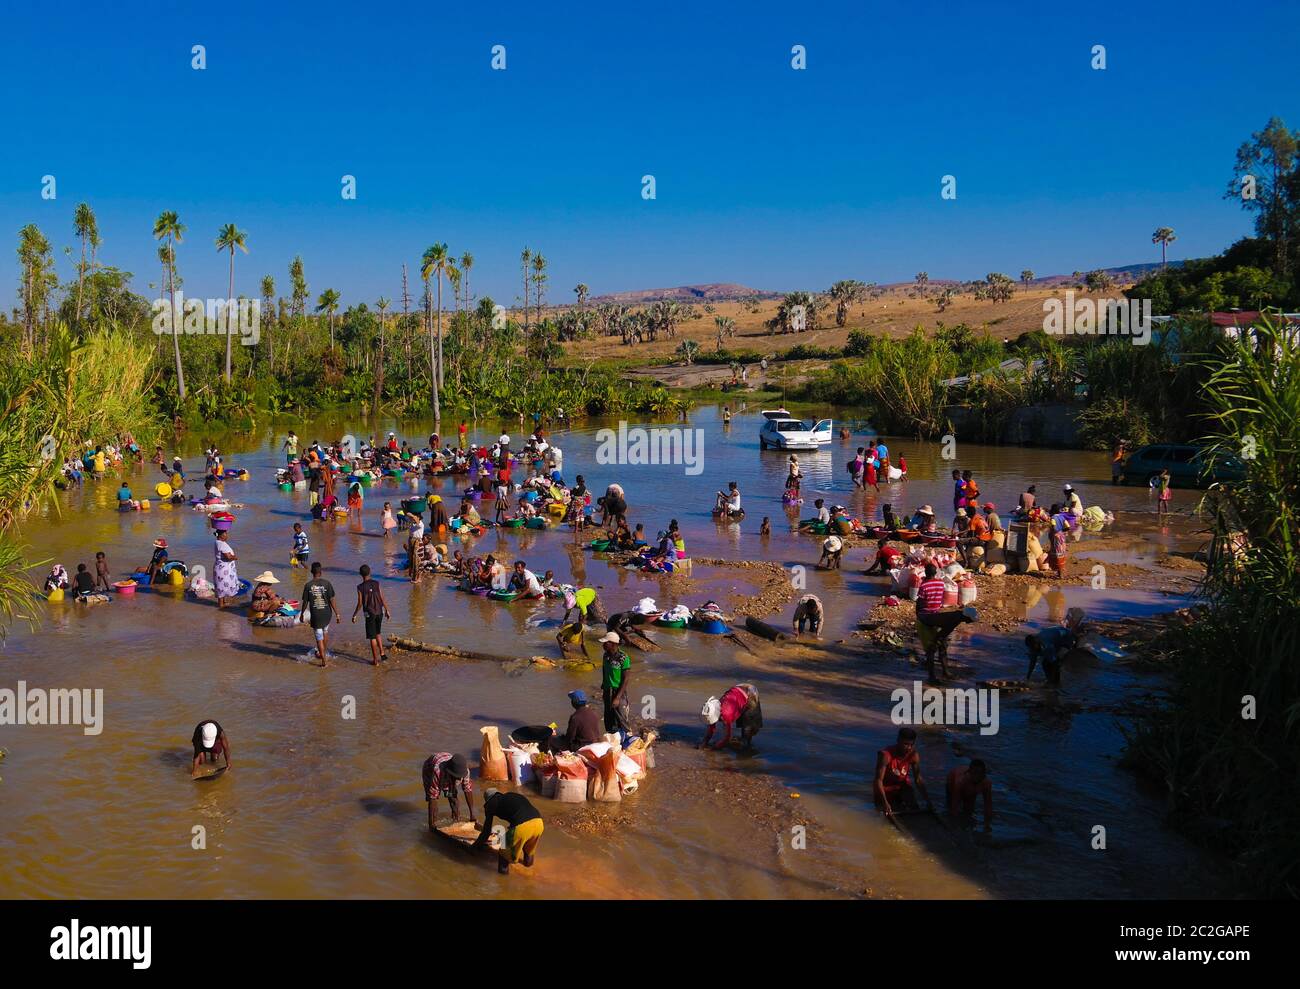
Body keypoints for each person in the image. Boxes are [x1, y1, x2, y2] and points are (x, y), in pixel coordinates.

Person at [915, 562, 977, 680]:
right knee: (934, 648)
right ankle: (935, 675)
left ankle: (942, 673)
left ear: (926, 573)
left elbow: (920, 603)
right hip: (930, 617)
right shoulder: (940, 583)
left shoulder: (924, 586)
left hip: (926, 616)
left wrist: (918, 615)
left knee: (937, 646)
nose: (968, 623)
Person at [474, 789, 543, 874]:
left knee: (503, 855)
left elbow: (486, 832)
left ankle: (503, 882)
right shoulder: (510, 796)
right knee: (529, 852)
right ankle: (529, 874)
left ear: (488, 800)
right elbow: (520, 810)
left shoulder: (491, 804)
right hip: (538, 822)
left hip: (522, 826)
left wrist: (475, 846)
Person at [873, 727, 930, 819]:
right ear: (898, 740)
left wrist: (928, 801)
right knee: (883, 815)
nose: (909, 748)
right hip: (885, 788)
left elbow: (918, 779)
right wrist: (885, 803)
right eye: (906, 744)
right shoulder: (885, 755)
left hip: (901, 787)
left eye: (911, 744)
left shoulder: (913, 755)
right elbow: (878, 781)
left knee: (914, 807)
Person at [1025, 608, 1087, 684]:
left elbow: (1055, 664)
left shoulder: (1048, 646)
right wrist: (1028, 678)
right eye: (1032, 648)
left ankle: (1056, 683)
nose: (1033, 649)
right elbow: (1032, 663)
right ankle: (1050, 680)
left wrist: (1053, 680)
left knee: (1051, 662)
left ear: (1038, 643)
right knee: (1046, 663)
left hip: (1065, 638)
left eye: (1035, 647)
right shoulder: (1032, 648)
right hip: (1056, 634)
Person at [422, 752, 475, 831]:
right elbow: (433, 797)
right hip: (429, 770)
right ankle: (433, 824)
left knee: (452, 797)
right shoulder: (438, 772)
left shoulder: (465, 771)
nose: (457, 780)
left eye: (459, 778)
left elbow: (467, 790)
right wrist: (432, 826)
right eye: (456, 778)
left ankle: (455, 819)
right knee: (433, 797)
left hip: (449, 770)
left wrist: (472, 815)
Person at [700, 683, 763, 750]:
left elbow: (727, 737)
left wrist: (714, 748)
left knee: (747, 730)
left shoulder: (727, 714)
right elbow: (711, 728)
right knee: (743, 723)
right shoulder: (713, 708)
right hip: (738, 690)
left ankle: (747, 748)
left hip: (751, 693)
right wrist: (704, 742)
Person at [300, 562, 340, 665]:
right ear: (320, 572)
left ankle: (323, 661)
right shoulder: (327, 583)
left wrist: (302, 614)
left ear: (312, 572)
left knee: (319, 638)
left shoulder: (308, 585)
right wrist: (337, 614)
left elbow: (305, 602)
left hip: (316, 615)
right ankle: (324, 652)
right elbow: (332, 600)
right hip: (327, 614)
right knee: (325, 632)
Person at [352, 564, 391, 665]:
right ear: (370, 572)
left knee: (372, 637)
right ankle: (382, 653)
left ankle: (375, 661)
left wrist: (354, 614)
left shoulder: (360, 587)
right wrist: (387, 610)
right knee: (378, 632)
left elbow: (360, 603)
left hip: (370, 614)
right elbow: (382, 597)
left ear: (361, 574)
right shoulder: (377, 583)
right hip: (380, 612)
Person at [599, 632, 632, 744]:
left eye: (605, 643)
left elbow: (626, 679)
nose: (603, 645)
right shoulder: (606, 655)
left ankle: (627, 742)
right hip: (608, 690)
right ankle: (611, 741)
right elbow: (604, 669)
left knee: (621, 717)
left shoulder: (623, 658)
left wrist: (617, 697)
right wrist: (604, 683)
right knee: (608, 716)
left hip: (619, 691)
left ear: (613, 644)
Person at [946, 758, 993, 830]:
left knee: (969, 810)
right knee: (950, 806)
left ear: (984, 773)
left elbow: (988, 806)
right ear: (969, 772)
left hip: (970, 787)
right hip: (952, 781)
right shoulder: (961, 782)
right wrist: (954, 825)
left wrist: (987, 825)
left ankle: (967, 826)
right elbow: (955, 804)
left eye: (981, 773)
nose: (978, 776)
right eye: (975, 773)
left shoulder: (986, 783)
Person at [213, 525, 239, 609]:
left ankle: (223, 603)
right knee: (222, 586)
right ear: (221, 535)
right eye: (225, 534)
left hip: (221, 567)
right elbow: (228, 557)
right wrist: (235, 557)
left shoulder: (218, 542)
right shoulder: (221, 544)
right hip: (223, 569)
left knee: (222, 586)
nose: (227, 535)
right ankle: (221, 605)